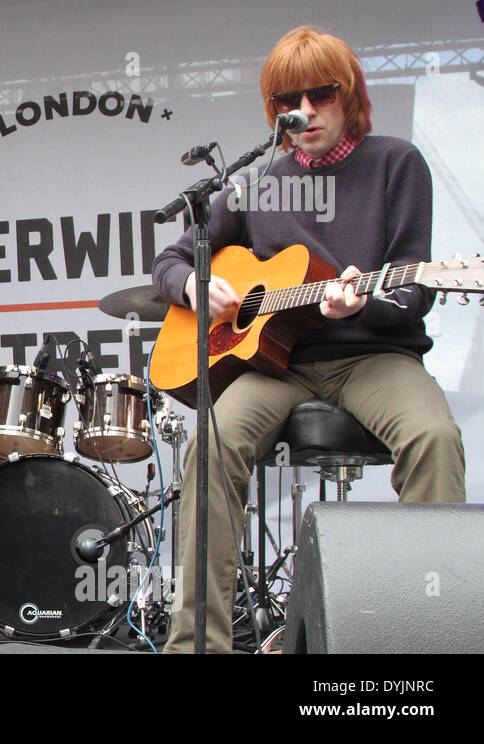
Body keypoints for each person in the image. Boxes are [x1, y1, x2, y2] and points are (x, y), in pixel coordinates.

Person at [150, 27, 465, 653]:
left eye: (321, 94)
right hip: (277, 366)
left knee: (435, 438)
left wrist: (365, 299)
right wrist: (193, 287)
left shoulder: (396, 163)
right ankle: (198, 647)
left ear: (349, 96)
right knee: (208, 446)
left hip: (372, 356)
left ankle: (436, 636)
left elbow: (414, 287)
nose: (306, 110)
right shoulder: (257, 181)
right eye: (290, 100)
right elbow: (170, 260)